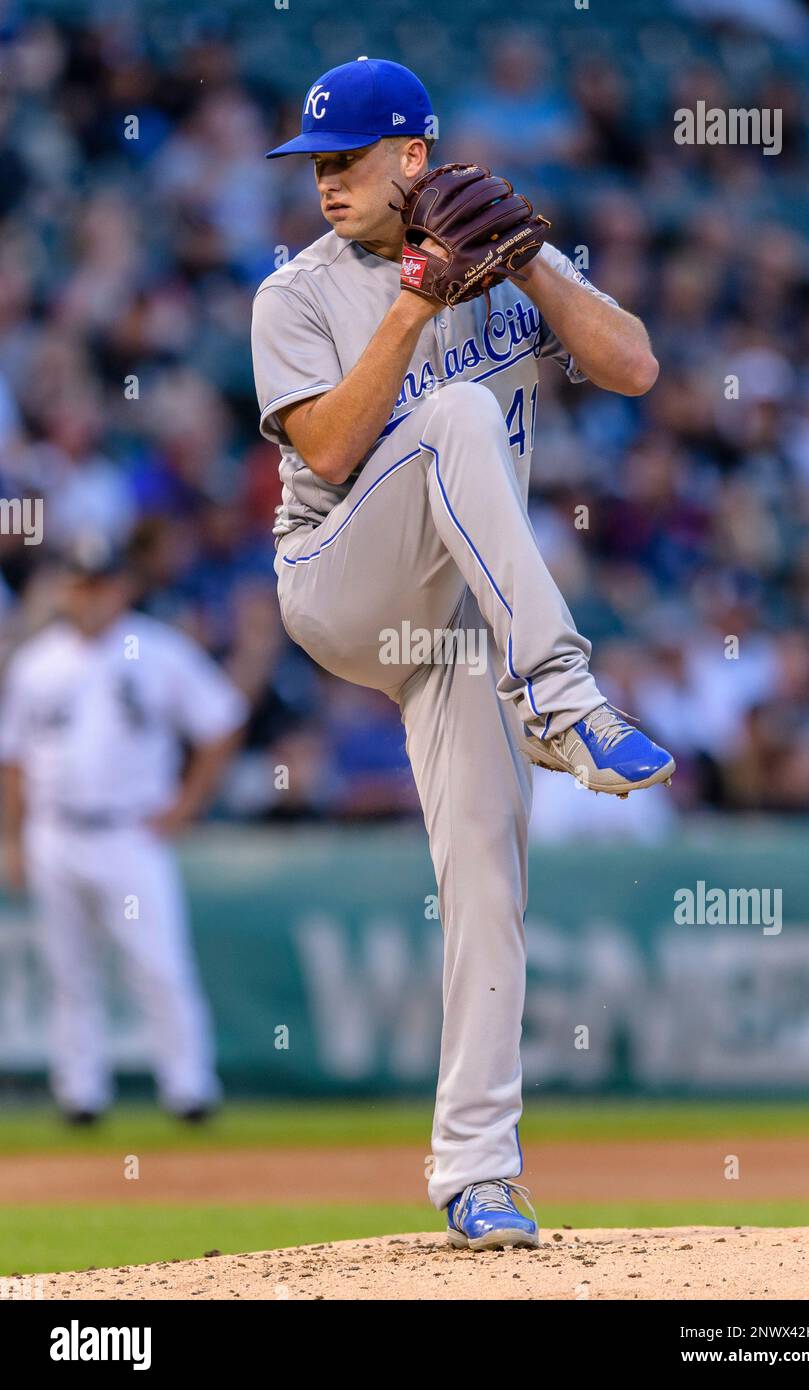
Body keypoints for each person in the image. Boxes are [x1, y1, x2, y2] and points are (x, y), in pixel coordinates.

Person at [251, 57, 674, 1250]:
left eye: (347, 158)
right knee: (456, 416)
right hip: (337, 578)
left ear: (414, 158)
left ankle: (478, 1173)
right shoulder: (293, 294)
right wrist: (414, 303)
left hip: (458, 620)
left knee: (486, 878)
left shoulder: (501, 263)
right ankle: (564, 696)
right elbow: (329, 453)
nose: (325, 179)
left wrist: (531, 258)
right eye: (314, 163)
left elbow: (634, 367)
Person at [0, 536, 248, 1123]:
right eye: (81, 584)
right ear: (66, 589)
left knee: (159, 963)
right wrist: (12, 837)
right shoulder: (39, 662)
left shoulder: (157, 650)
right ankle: (80, 1096)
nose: (91, 596)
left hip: (130, 832)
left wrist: (185, 805)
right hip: (55, 831)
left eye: (102, 584)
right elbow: (13, 759)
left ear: (123, 588)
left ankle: (190, 1092)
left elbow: (222, 721)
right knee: (69, 969)